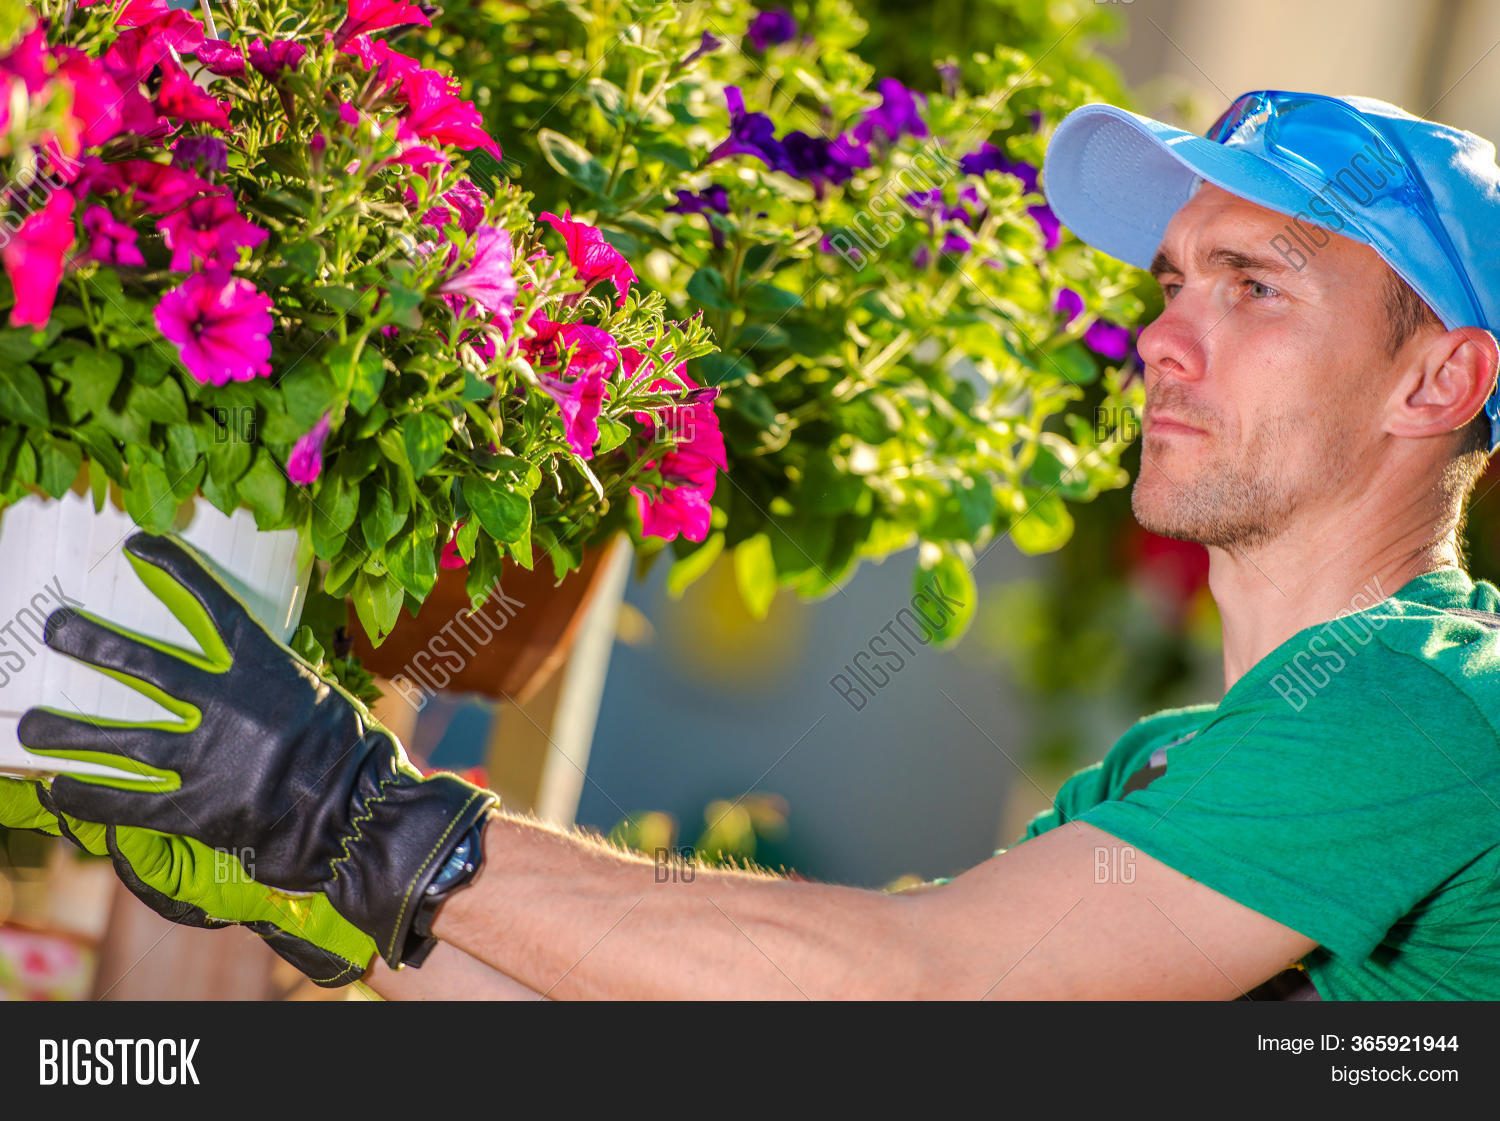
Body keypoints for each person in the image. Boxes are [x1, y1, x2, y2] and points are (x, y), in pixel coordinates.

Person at [7, 88, 1500, 1000]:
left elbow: (930, 993)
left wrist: (351, 798)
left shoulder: (1426, 701)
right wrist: (318, 864)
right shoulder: (1168, 771)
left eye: (1254, 286)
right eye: (1174, 279)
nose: (1162, 334)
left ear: (1441, 380)